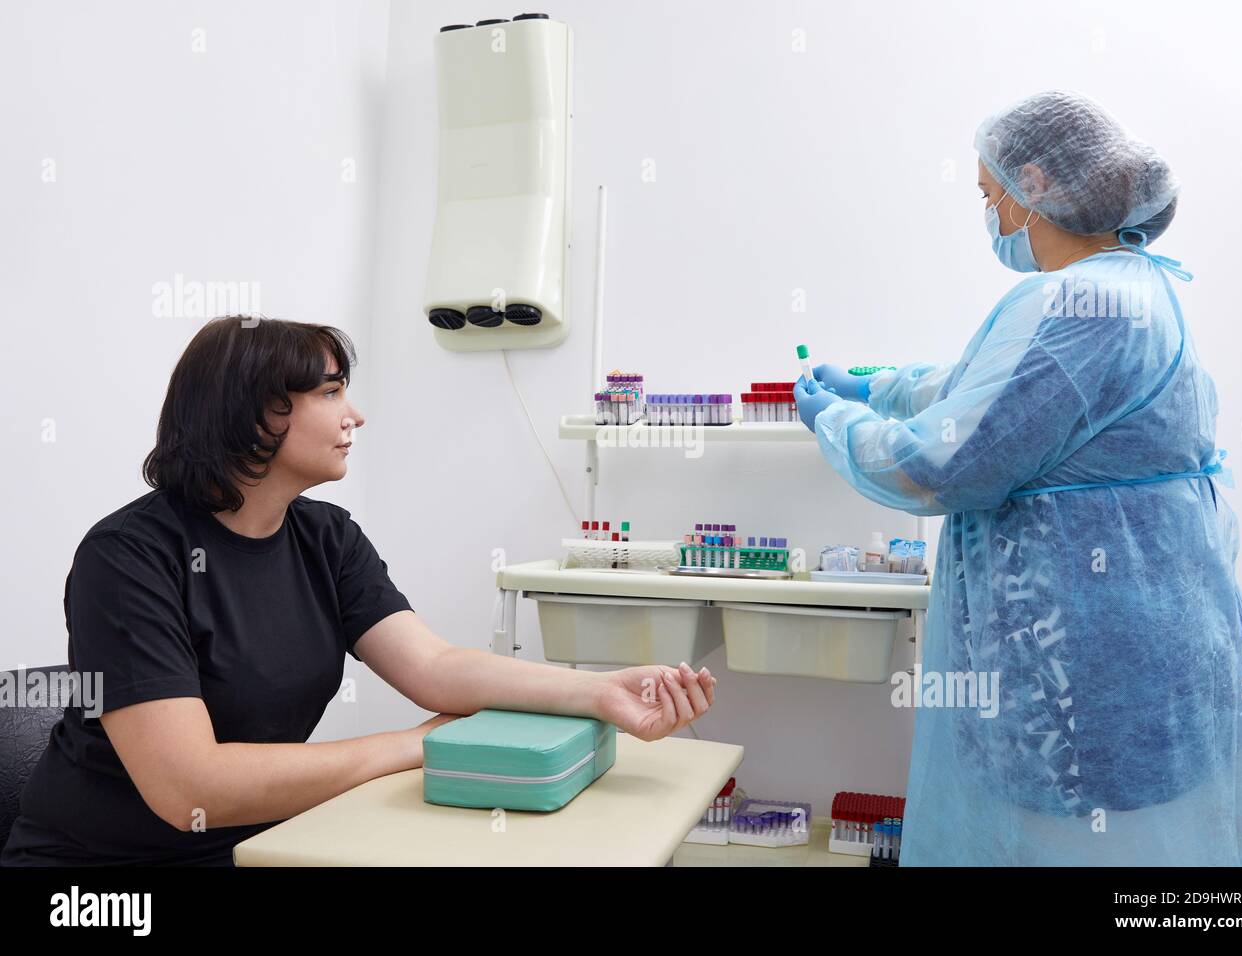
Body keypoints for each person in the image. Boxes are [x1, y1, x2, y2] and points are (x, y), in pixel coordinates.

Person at [2, 316, 716, 866]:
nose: (355, 414)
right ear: (255, 414)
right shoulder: (129, 557)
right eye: (331, 391)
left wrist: (599, 693)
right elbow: (192, 787)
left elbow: (434, 669)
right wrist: (411, 748)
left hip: (264, 848)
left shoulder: (324, 537)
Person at [794, 90, 1242, 866]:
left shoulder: (1085, 301)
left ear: (1034, 184)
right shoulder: (1135, 288)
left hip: (1080, 678)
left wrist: (838, 425)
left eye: (988, 193)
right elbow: (1004, 389)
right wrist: (882, 387)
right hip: (1147, 656)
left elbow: (940, 466)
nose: (988, 213)